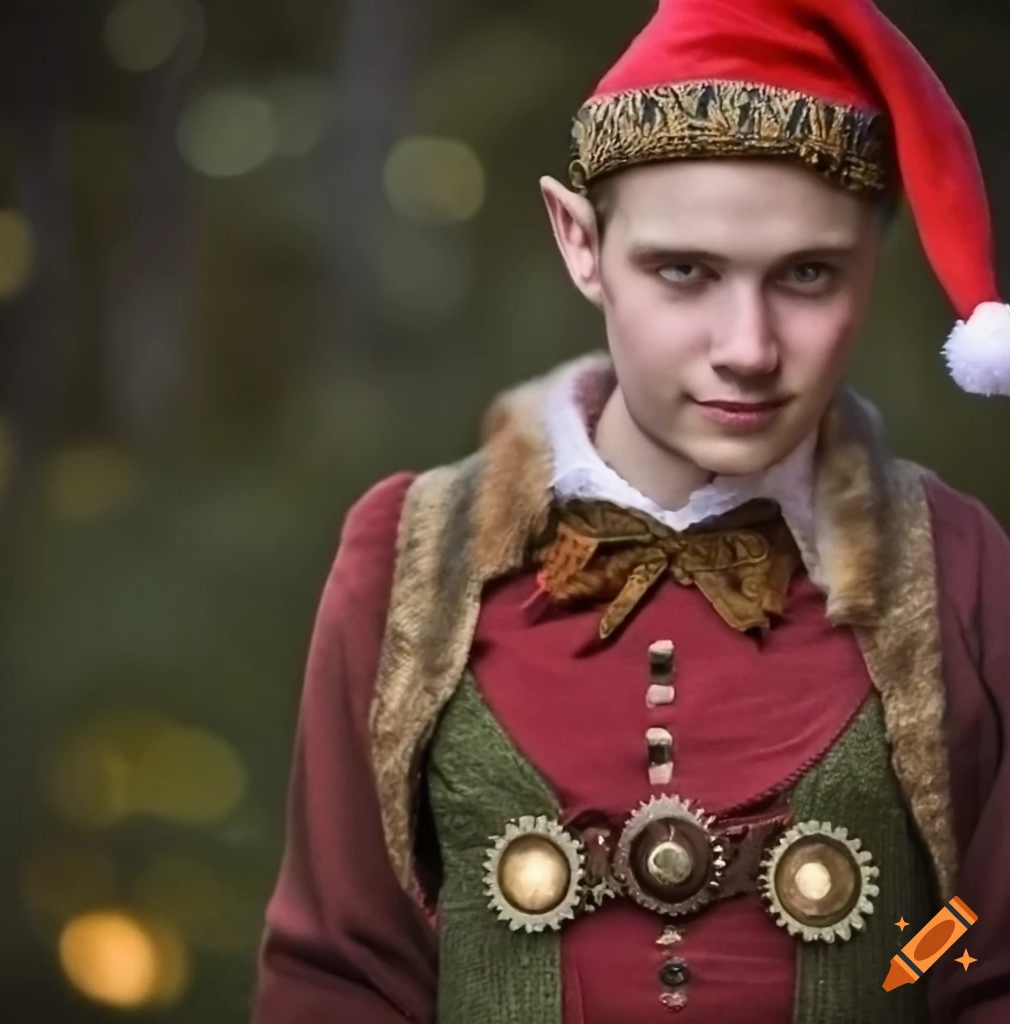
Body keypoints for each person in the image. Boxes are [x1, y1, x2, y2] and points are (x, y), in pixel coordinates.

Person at [252, 0, 1010, 1021]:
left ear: (869, 266)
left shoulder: (958, 564)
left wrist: (906, 975)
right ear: (580, 241)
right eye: (684, 271)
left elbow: (983, 944)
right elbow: (343, 970)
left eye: (807, 275)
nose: (746, 345)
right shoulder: (408, 556)